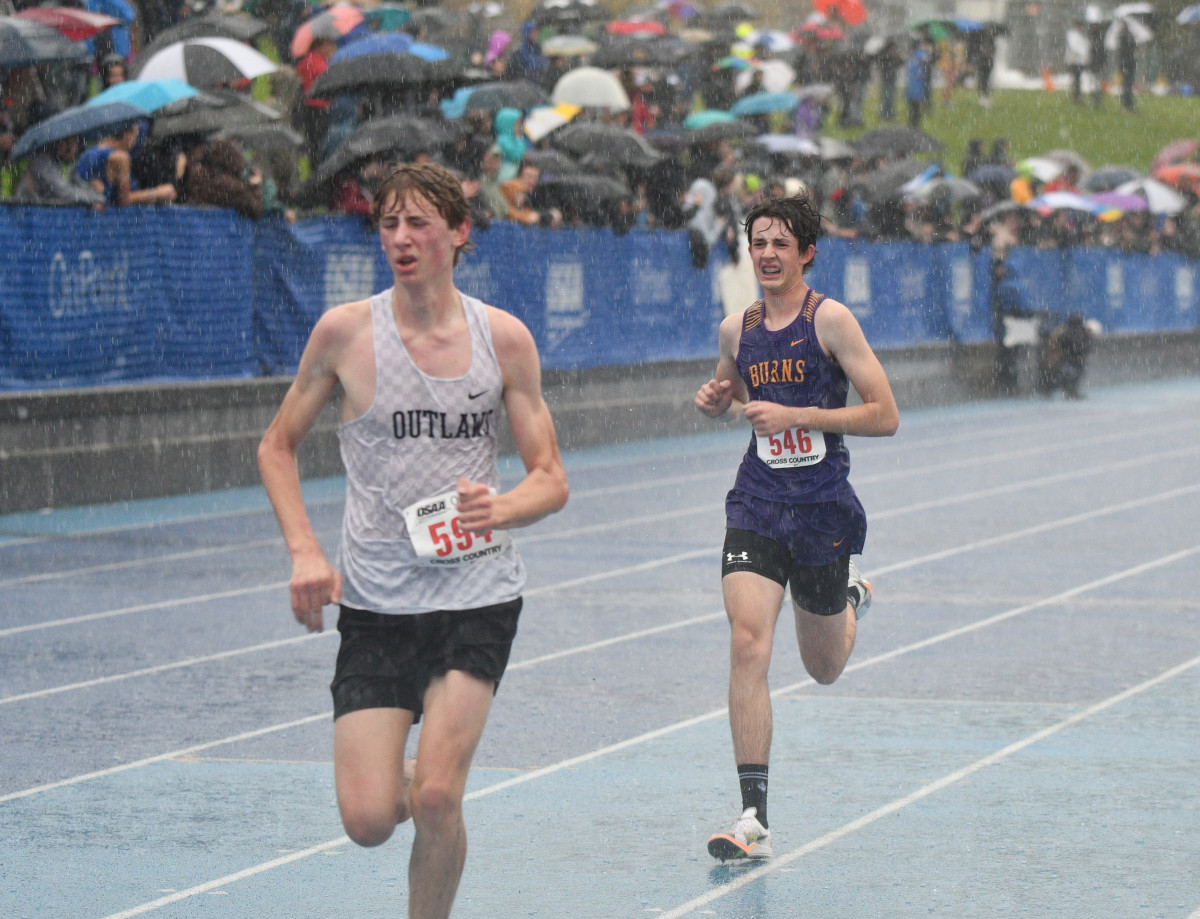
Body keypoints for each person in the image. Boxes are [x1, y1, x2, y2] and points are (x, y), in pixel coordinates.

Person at [257, 161, 569, 919]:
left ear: (459, 234)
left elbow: (550, 478)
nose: (400, 238)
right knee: (367, 820)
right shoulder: (345, 333)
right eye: (388, 223)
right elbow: (275, 446)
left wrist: (502, 509)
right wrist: (304, 549)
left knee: (434, 794)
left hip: (477, 593)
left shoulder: (503, 339)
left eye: (419, 223)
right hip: (376, 602)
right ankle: (421, 782)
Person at [694, 191, 899, 862]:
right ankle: (753, 816)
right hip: (756, 500)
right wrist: (715, 399)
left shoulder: (830, 321)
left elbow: (884, 413)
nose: (768, 254)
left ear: (807, 252)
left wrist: (802, 415)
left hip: (819, 507)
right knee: (748, 641)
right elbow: (730, 392)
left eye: (782, 243)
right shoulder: (737, 328)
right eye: (759, 242)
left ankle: (846, 600)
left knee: (823, 666)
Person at [76, 121, 178, 207]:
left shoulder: (88, 153)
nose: (136, 142)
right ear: (127, 135)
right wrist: (157, 193)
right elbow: (124, 200)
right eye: (136, 136)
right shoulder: (121, 158)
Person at [13, 135, 106, 208]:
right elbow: (64, 193)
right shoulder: (43, 162)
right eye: (69, 142)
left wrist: (92, 190)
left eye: (75, 143)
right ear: (58, 142)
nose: (73, 148)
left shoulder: (56, 163)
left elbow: (74, 186)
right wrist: (95, 198)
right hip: (26, 218)